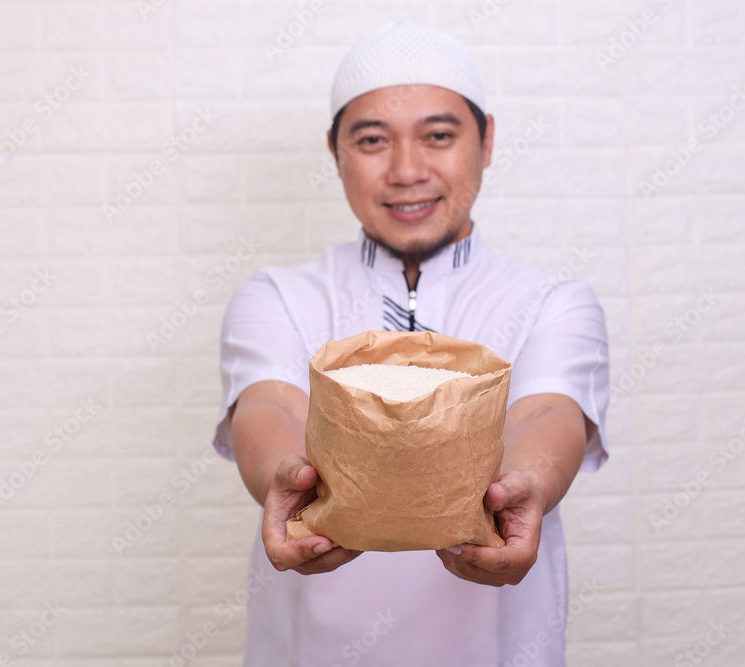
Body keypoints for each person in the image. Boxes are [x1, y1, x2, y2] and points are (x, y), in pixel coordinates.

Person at [212, 20, 609, 667]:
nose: (406, 170)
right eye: (372, 140)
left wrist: (527, 485)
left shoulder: (550, 301)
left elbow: (546, 411)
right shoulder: (279, 296)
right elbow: (270, 407)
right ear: (335, 150)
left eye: (439, 136)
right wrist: (284, 476)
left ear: (486, 142)